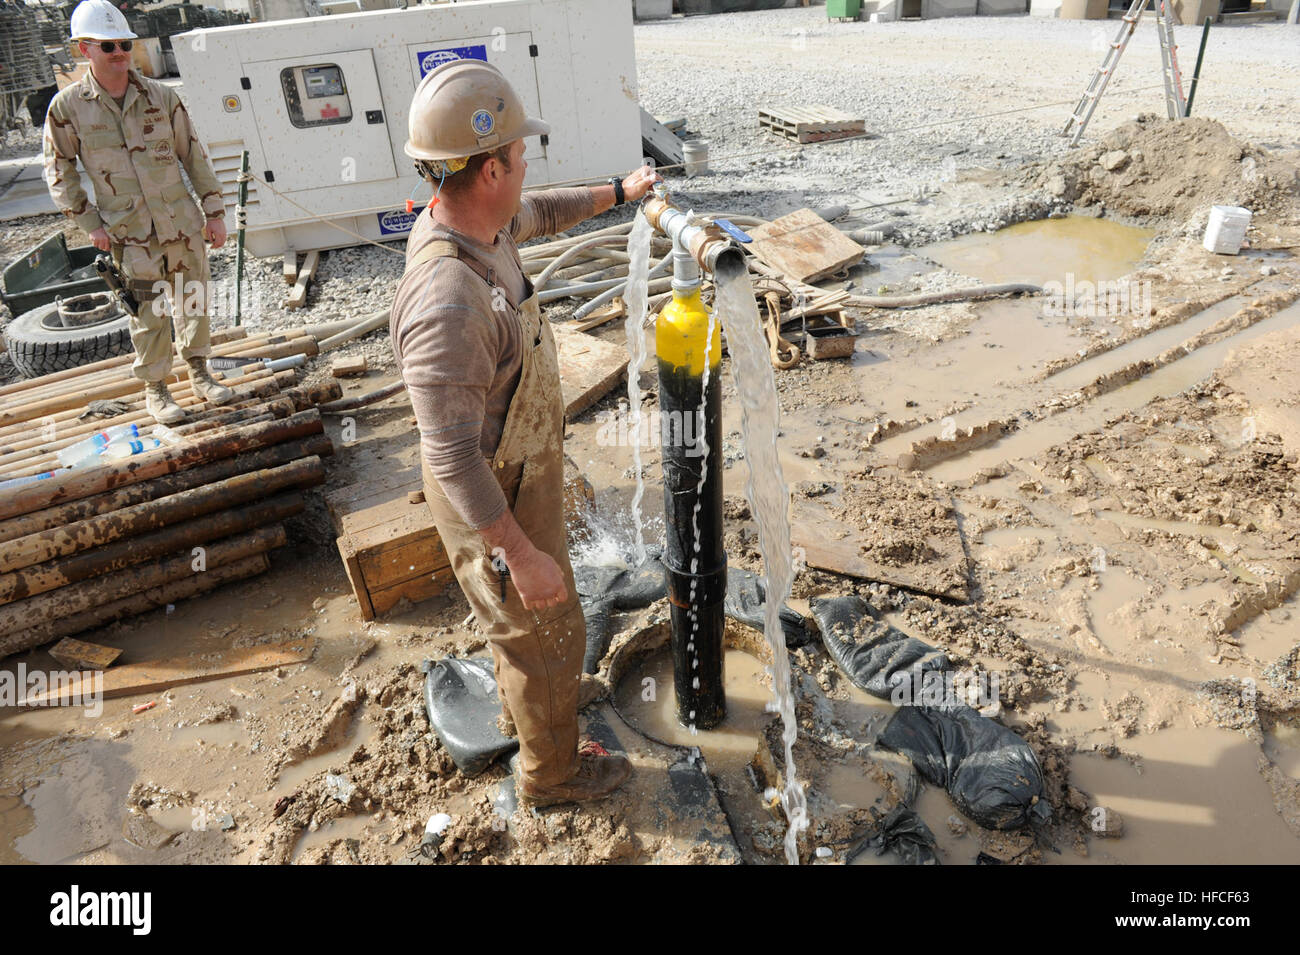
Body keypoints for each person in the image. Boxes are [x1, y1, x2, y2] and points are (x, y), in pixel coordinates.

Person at [390, 59, 658, 808]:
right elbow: (449, 455)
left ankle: (526, 707)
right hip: (488, 488)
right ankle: (553, 777)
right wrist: (518, 550)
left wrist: (618, 192)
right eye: (517, 154)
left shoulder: (479, 222)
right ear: (487, 171)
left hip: (515, 469)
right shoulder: (450, 301)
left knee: (523, 630)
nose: (527, 161)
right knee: (546, 627)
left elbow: (540, 211)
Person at [43, 0, 234, 423]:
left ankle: (201, 373)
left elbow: (193, 155)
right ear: (83, 50)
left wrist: (214, 211)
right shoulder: (67, 108)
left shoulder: (161, 97)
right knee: (149, 311)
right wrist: (90, 224)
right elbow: (60, 172)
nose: (119, 53)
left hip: (182, 225)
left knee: (194, 300)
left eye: (125, 44)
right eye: (108, 45)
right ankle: (157, 389)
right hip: (129, 234)